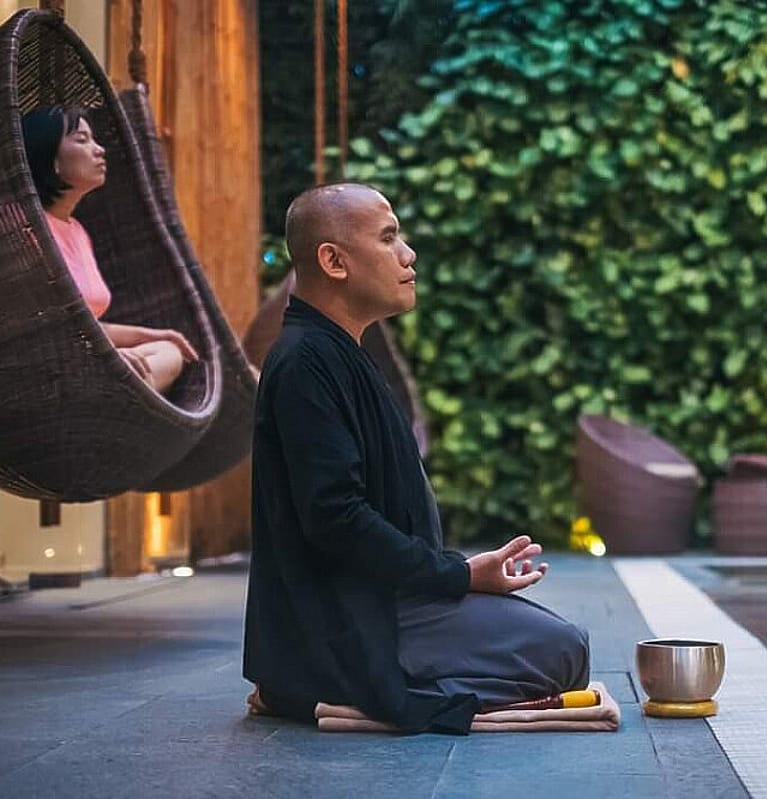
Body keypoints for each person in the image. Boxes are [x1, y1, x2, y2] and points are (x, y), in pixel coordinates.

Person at [242, 183, 590, 734]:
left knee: (563, 646)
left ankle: (314, 682)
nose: (409, 255)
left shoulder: (340, 351)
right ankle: (310, 685)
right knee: (562, 653)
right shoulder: (306, 362)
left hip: (391, 599)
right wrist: (455, 574)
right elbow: (335, 520)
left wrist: (457, 575)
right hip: (347, 619)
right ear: (333, 261)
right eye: (388, 238)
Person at [21, 105, 197, 392]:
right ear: (52, 158)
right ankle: (128, 396)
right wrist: (106, 358)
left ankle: (128, 393)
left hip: (92, 362)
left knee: (168, 350)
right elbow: (38, 327)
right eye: (82, 140)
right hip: (50, 370)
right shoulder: (27, 230)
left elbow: (87, 326)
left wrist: (148, 335)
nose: (99, 149)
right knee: (145, 368)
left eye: (95, 139)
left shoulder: (77, 232)